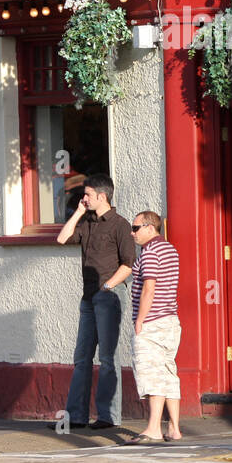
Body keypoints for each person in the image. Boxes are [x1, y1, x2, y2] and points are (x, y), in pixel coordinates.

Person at [55, 174, 134, 429]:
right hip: (88, 297)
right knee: (82, 358)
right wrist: (78, 213)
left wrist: (108, 285)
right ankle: (76, 416)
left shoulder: (120, 224)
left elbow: (128, 264)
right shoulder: (87, 222)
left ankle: (108, 417)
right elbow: (62, 238)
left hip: (108, 296)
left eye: (87, 195)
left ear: (102, 196)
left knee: (108, 357)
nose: (83, 198)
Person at [127, 211, 181, 443]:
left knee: (152, 373)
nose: (133, 232)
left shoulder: (150, 252)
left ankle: (153, 429)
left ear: (150, 228)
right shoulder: (170, 250)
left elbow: (149, 287)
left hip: (153, 321)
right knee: (169, 373)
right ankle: (175, 429)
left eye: (136, 227)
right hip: (170, 320)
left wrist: (140, 319)